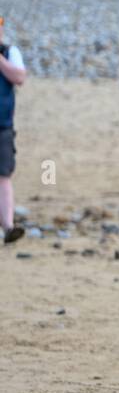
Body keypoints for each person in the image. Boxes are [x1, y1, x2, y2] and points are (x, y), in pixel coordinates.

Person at [0, 17, 29, 244]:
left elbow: (19, 77)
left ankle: (8, 226)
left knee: (4, 176)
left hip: (3, 126)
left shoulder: (10, 52)